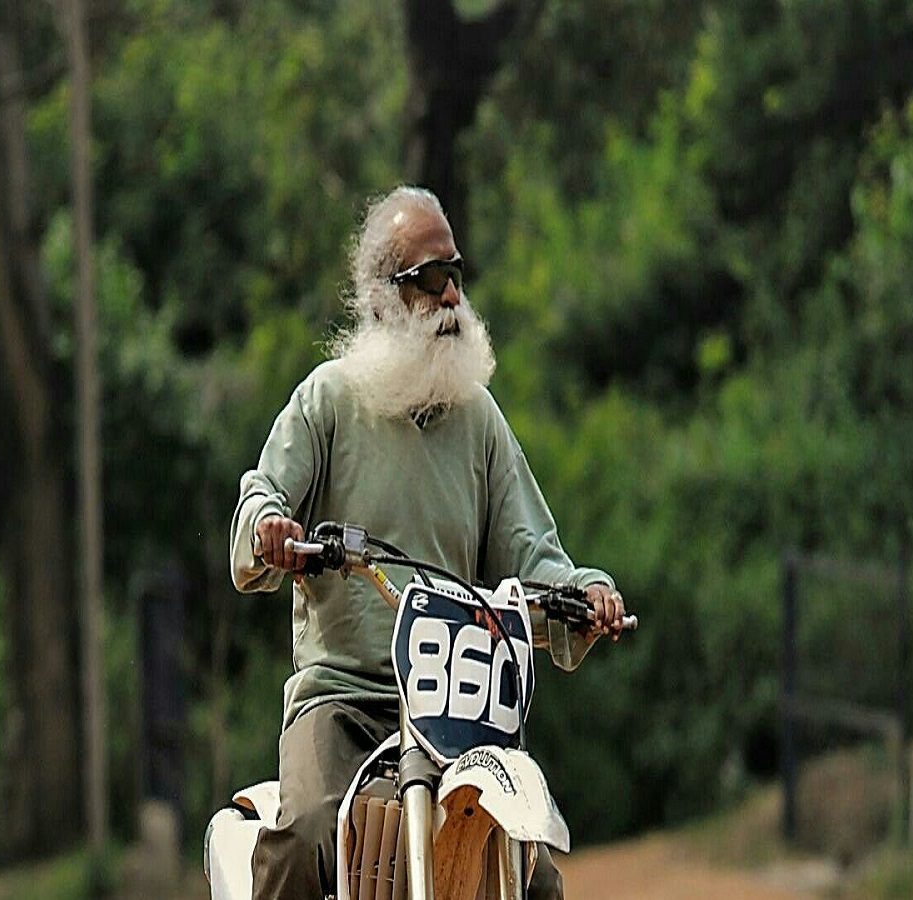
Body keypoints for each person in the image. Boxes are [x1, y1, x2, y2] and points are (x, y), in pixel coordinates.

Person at [230, 185, 628, 900]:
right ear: (384, 297)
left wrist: (583, 594)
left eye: (457, 276)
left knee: (533, 879)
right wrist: (272, 532)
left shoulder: (480, 421)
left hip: (459, 710)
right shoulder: (328, 399)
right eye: (431, 280)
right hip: (344, 699)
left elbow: (535, 551)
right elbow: (264, 493)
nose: (452, 299)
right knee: (308, 837)